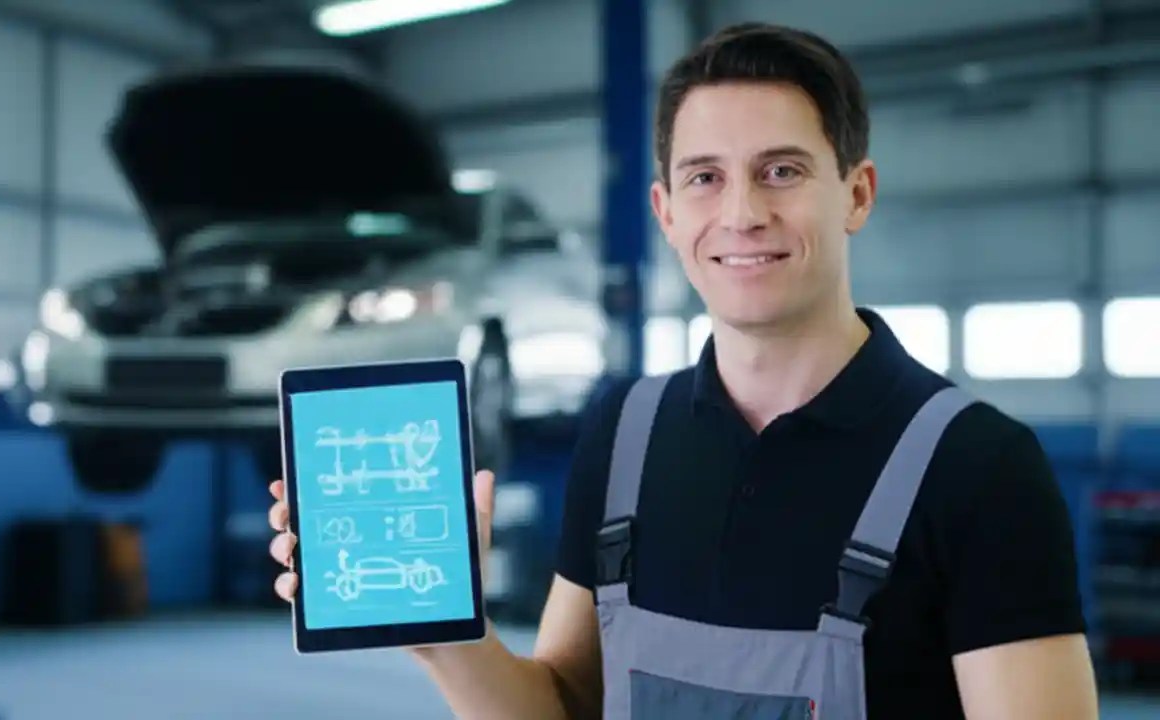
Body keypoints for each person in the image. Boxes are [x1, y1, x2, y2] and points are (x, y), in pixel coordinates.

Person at [267, 21, 1101, 719]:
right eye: (706, 178)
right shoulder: (623, 434)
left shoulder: (981, 469)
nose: (742, 213)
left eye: (782, 171)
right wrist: (442, 628)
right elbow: (559, 707)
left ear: (856, 193)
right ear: (666, 212)